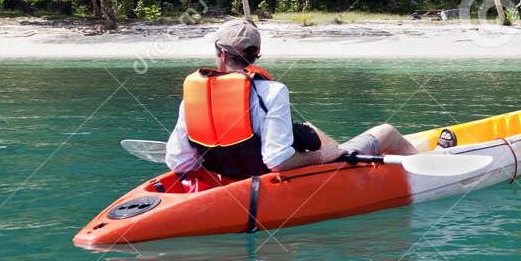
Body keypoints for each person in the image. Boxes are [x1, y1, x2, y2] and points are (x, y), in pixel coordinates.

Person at [165, 18, 417, 179]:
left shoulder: (193, 99)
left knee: (307, 132)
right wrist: (323, 155)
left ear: (220, 54)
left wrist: (220, 163)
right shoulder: (273, 92)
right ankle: (426, 170)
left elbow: (178, 161)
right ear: (255, 57)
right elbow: (277, 162)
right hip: (280, 180)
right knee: (387, 131)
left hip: (229, 180)